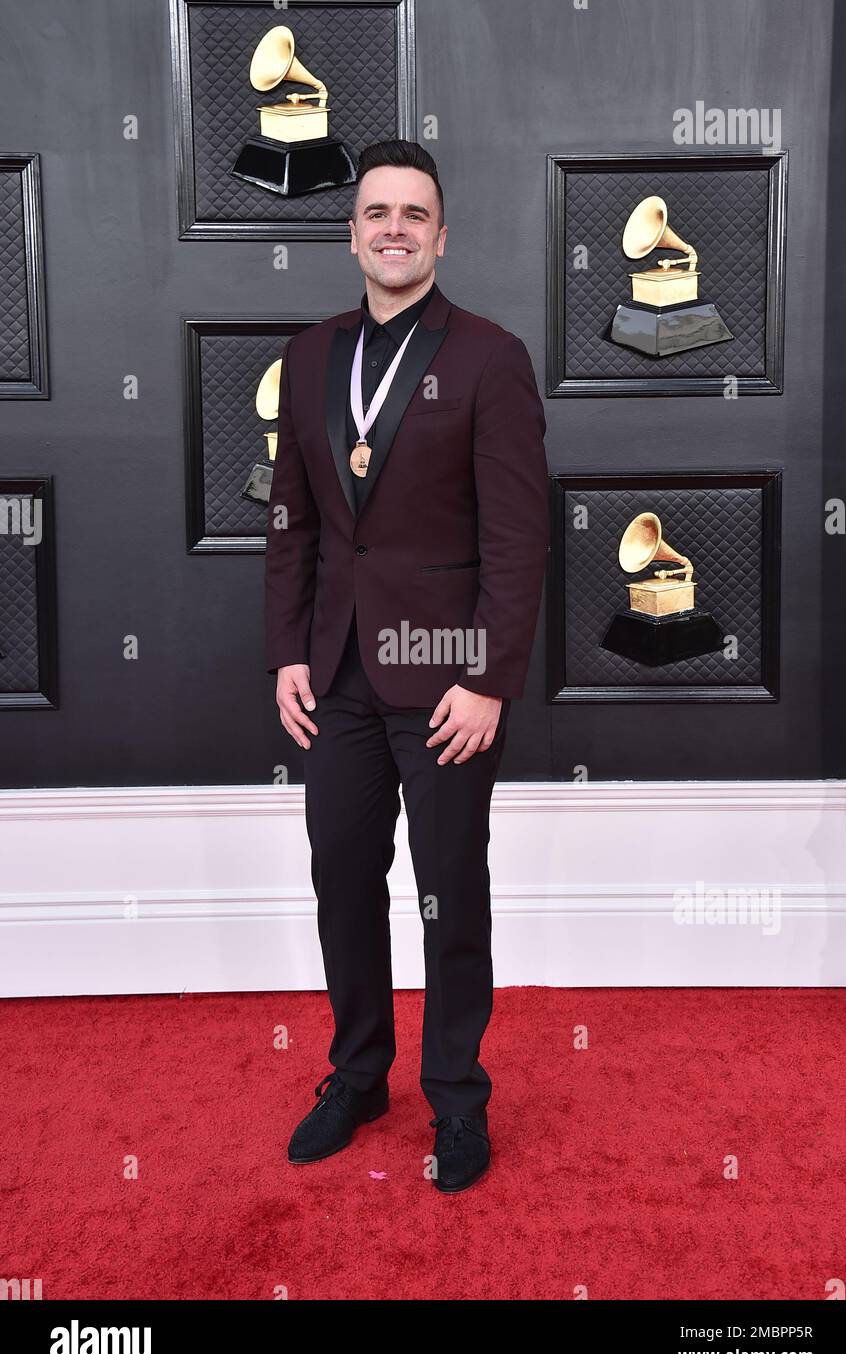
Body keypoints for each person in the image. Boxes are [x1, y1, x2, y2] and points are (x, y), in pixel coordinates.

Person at [264, 139, 549, 1193]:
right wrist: (285, 653)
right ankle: (355, 1073)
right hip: (333, 671)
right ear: (351, 234)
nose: (393, 228)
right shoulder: (305, 356)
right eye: (375, 212)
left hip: (444, 684)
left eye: (412, 214)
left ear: (441, 233)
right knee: (342, 876)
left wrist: (485, 678)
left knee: (447, 891)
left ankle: (458, 1100)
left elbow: (519, 540)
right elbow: (291, 522)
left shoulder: (488, 356)